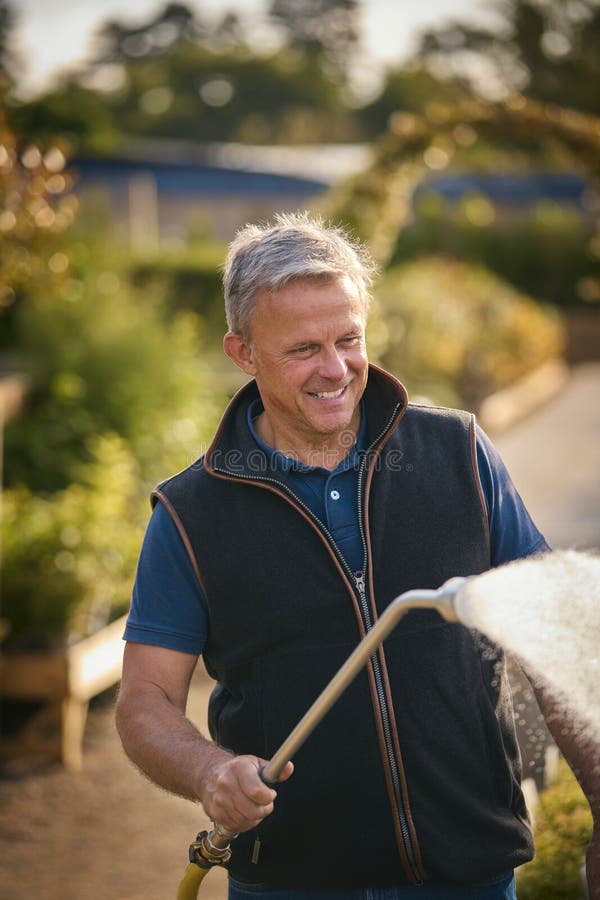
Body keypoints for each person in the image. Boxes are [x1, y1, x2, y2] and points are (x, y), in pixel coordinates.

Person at [116, 212, 599, 900]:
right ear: (243, 353)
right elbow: (145, 700)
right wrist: (206, 771)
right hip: (292, 880)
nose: (336, 368)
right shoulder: (192, 514)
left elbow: (552, 637)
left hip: (469, 871)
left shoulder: (458, 454)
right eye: (303, 349)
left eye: (349, 339)